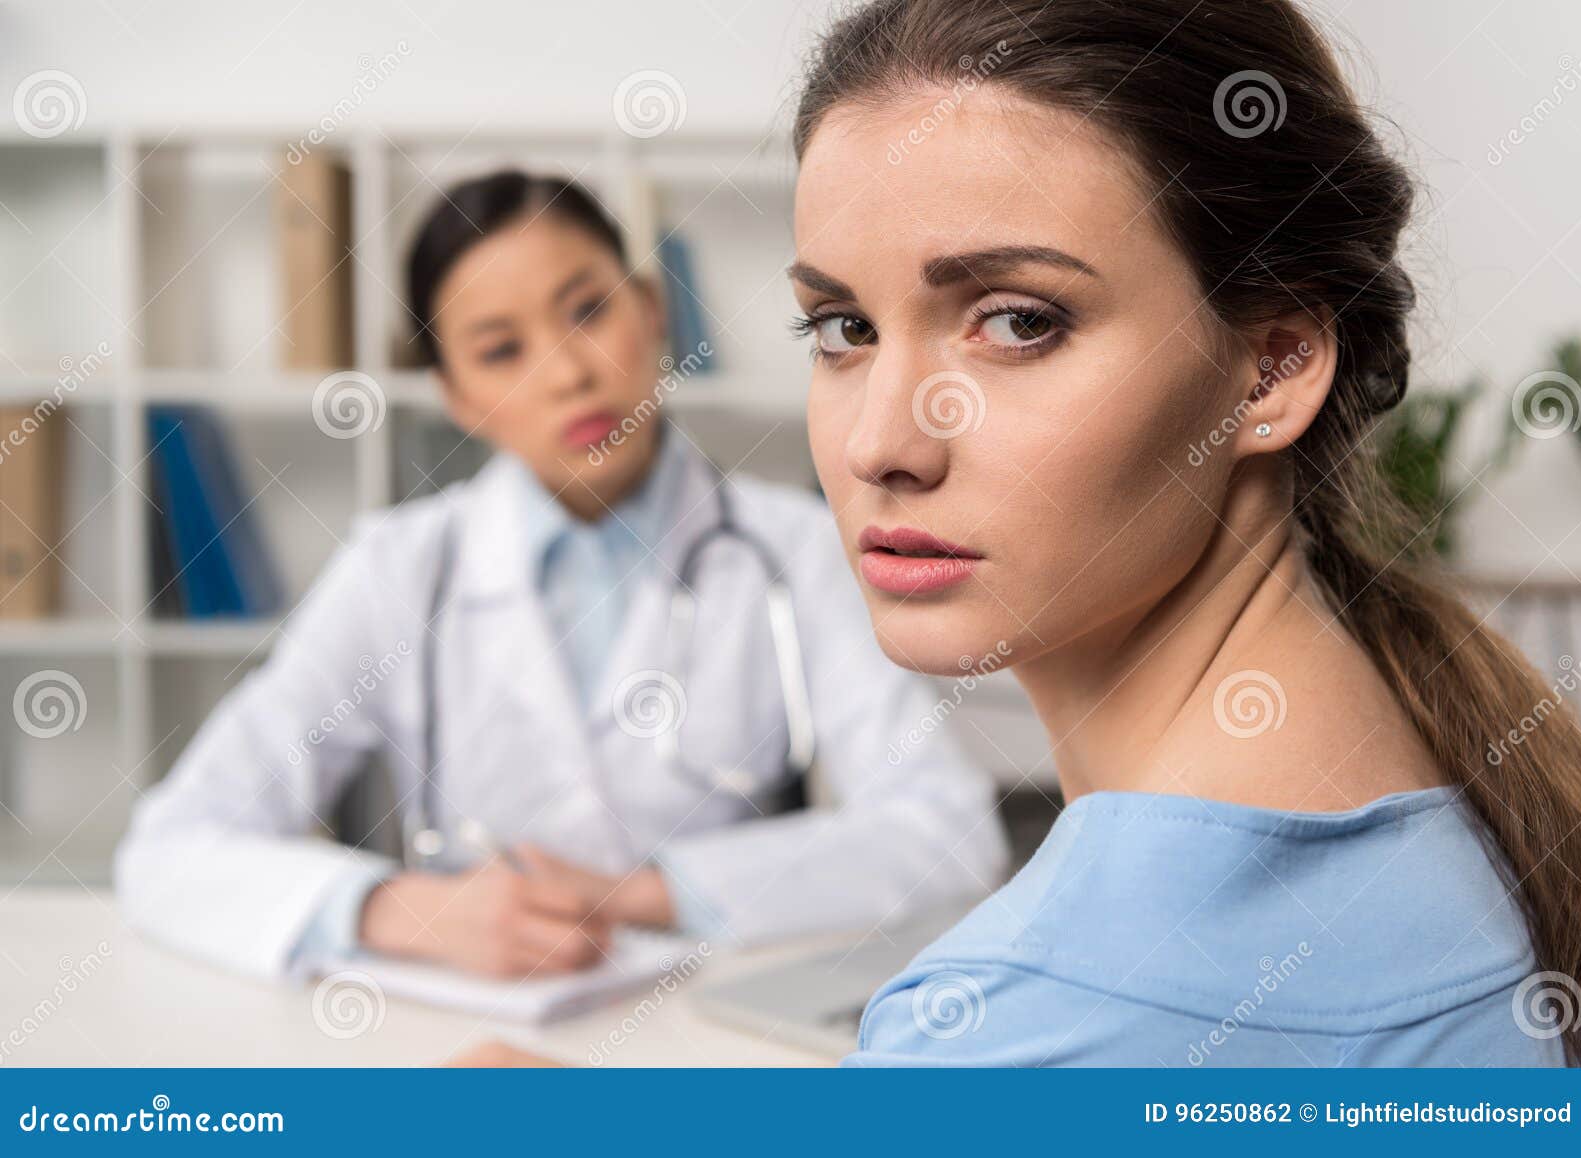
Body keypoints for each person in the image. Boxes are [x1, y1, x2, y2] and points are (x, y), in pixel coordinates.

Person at [456, 0, 1581, 1068]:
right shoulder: (1426, 780)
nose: (881, 444)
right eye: (842, 326)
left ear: (1273, 364)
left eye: (1015, 322)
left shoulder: (1023, 1022)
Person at [114, 170, 1008, 982]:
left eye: (589, 311)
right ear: (458, 395)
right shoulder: (400, 570)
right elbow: (172, 847)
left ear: (653, 311)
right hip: (480, 1032)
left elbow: (947, 831)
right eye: (501, 350)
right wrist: (400, 910)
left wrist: (644, 894)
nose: (570, 372)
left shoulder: (794, 548)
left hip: (712, 1020)